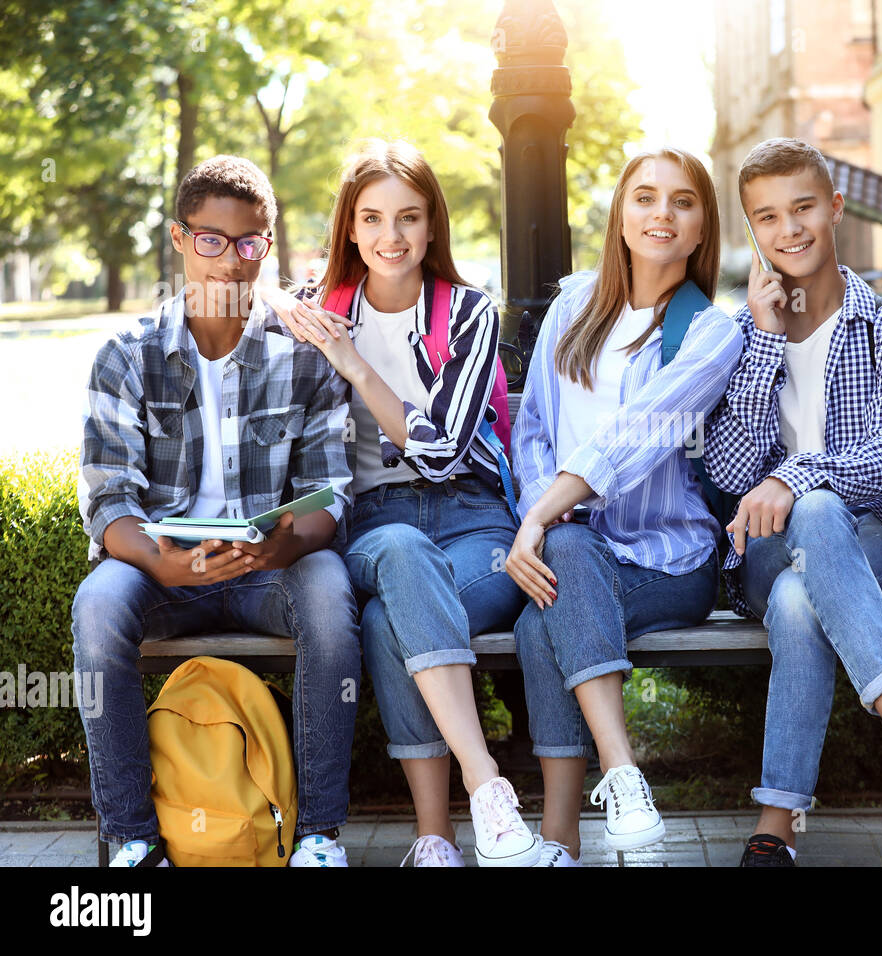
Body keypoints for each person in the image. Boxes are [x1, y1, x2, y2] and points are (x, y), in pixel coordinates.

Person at [73, 155, 361, 867]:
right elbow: (109, 499)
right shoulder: (126, 355)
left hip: (269, 569)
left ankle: (319, 836)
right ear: (179, 239)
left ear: (268, 243)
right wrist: (160, 559)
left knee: (329, 599)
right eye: (212, 240)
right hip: (161, 571)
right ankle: (135, 839)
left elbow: (330, 494)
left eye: (250, 243)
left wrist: (280, 546)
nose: (232, 262)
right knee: (97, 610)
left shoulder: (304, 354)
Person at [702, 138, 882, 867]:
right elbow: (729, 471)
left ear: (835, 208)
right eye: (766, 217)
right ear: (752, 232)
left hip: (877, 543)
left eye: (802, 208)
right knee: (807, 529)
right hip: (763, 552)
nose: (788, 230)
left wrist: (797, 477)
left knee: (803, 578)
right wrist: (763, 343)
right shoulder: (741, 332)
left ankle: (775, 827)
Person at [269, 139, 536, 867]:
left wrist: (353, 362)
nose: (392, 237)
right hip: (374, 524)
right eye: (373, 219)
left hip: (473, 518)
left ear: (432, 226)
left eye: (409, 218)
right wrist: (279, 305)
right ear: (350, 229)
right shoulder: (315, 313)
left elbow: (445, 449)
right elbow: (248, 296)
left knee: (392, 616)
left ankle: (435, 837)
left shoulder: (471, 314)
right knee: (399, 554)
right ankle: (488, 790)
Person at [507, 147, 743, 866]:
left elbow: (635, 439)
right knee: (552, 592)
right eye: (644, 197)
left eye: (681, 201)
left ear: (703, 228)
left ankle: (566, 833)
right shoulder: (574, 303)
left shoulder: (710, 332)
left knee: (545, 607)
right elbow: (534, 430)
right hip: (571, 546)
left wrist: (540, 519)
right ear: (620, 213)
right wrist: (544, 515)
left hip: (668, 559)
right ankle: (622, 789)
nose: (661, 214)